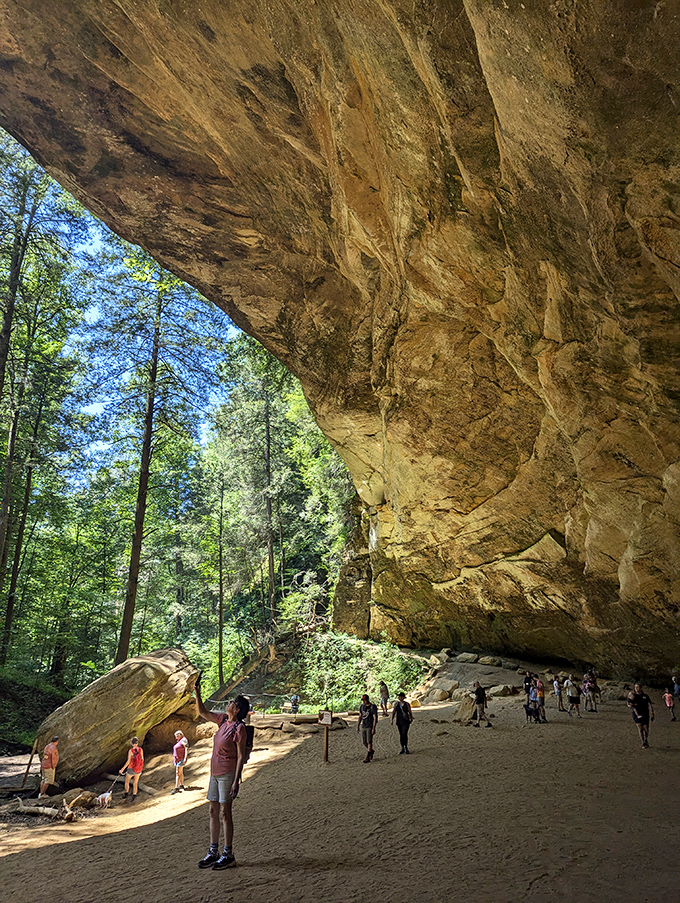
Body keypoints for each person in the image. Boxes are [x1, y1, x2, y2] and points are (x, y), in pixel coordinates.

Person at [195, 673, 248, 870]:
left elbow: (241, 756)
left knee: (226, 813)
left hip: (227, 774)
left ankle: (228, 853)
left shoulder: (239, 728)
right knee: (212, 811)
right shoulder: (222, 720)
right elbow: (202, 712)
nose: (229, 703)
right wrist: (197, 693)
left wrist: (236, 781)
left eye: (233, 702)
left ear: (237, 709)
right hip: (214, 773)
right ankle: (213, 851)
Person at [627, 683, 654, 748]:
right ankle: (643, 742)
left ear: (641, 688)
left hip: (645, 713)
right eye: (635, 687)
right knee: (640, 728)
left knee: (646, 728)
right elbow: (628, 703)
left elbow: (650, 704)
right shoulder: (633, 696)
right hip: (636, 714)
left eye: (637, 687)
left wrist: (652, 712)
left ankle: (646, 739)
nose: (636, 689)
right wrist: (630, 705)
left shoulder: (645, 696)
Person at [119, 736, 144, 801]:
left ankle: (126, 793)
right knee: (135, 782)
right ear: (137, 743)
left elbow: (128, 761)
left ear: (132, 744)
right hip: (138, 769)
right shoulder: (140, 749)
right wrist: (140, 766)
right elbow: (142, 759)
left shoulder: (131, 751)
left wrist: (122, 769)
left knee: (127, 781)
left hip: (131, 768)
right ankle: (134, 795)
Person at [357, 693, 378, 762]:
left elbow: (375, 717)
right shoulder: (362, 707)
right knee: (364, 742)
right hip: (364, 725)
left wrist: (374, 727)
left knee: (369, 741)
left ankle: (368, 756)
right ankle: (371, 751)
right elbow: (360, 716)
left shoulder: (372, 707)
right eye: (363, 700)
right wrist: (358, 725)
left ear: (368, 700)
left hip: (369, 725)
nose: (364, 701)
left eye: (365, 700)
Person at [172, 730, 189, 794]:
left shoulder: (183, 740)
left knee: (178, 773)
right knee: (180, 772)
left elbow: (186, 748)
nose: (176, 737)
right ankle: (181, 785)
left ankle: (176, 788)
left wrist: (185, 757)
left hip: (180, 759)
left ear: (180, 735)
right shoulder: (179, 741)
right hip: (177, 759)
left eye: (177, 736)